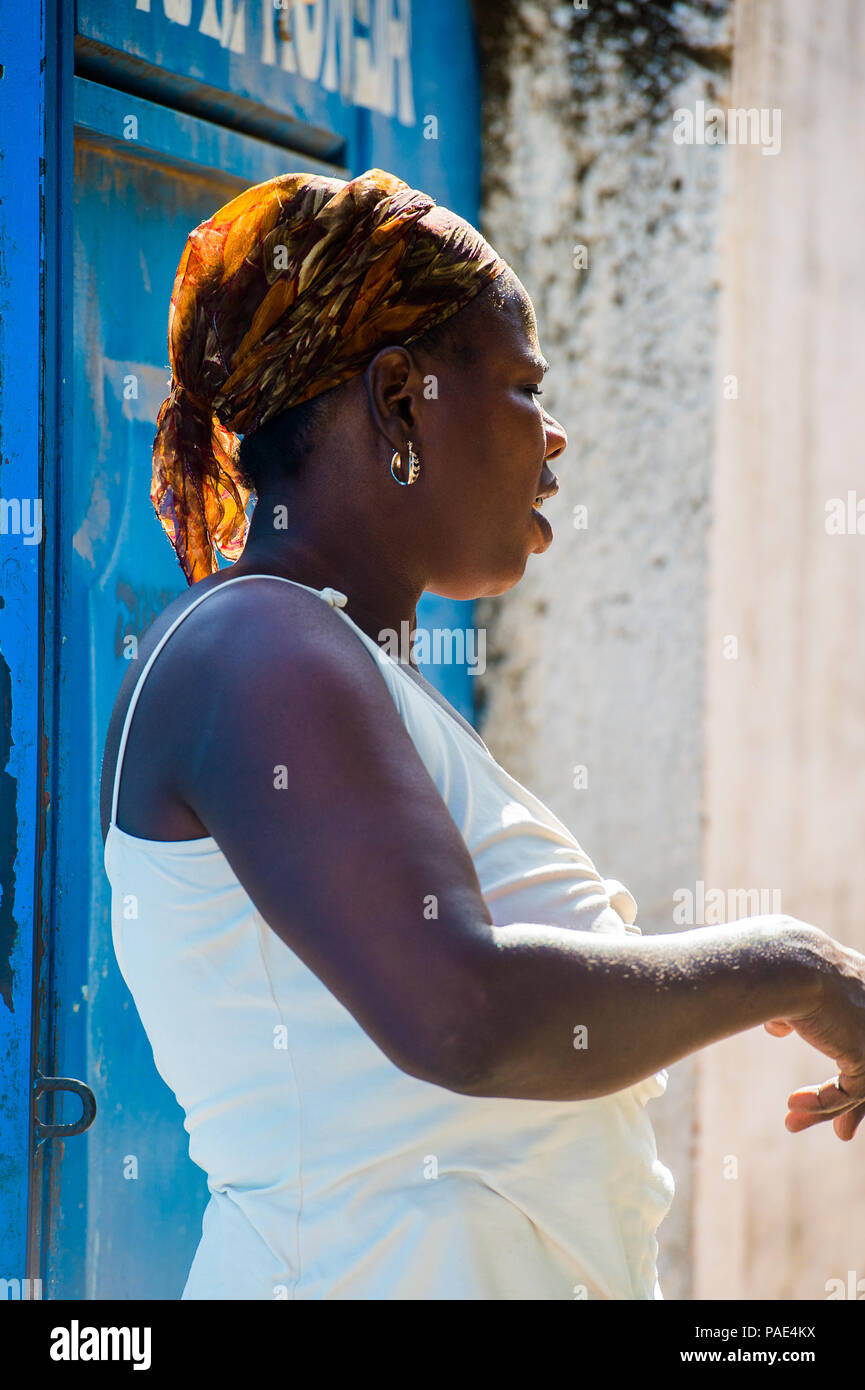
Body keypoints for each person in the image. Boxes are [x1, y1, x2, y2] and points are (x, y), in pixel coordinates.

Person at [100, 167, 865, 1301]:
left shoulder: (340, 664)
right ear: (402, 398)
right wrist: (793, 968)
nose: (552, 437)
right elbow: (463, 1012)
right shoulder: (260, 647)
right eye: (521, 385)